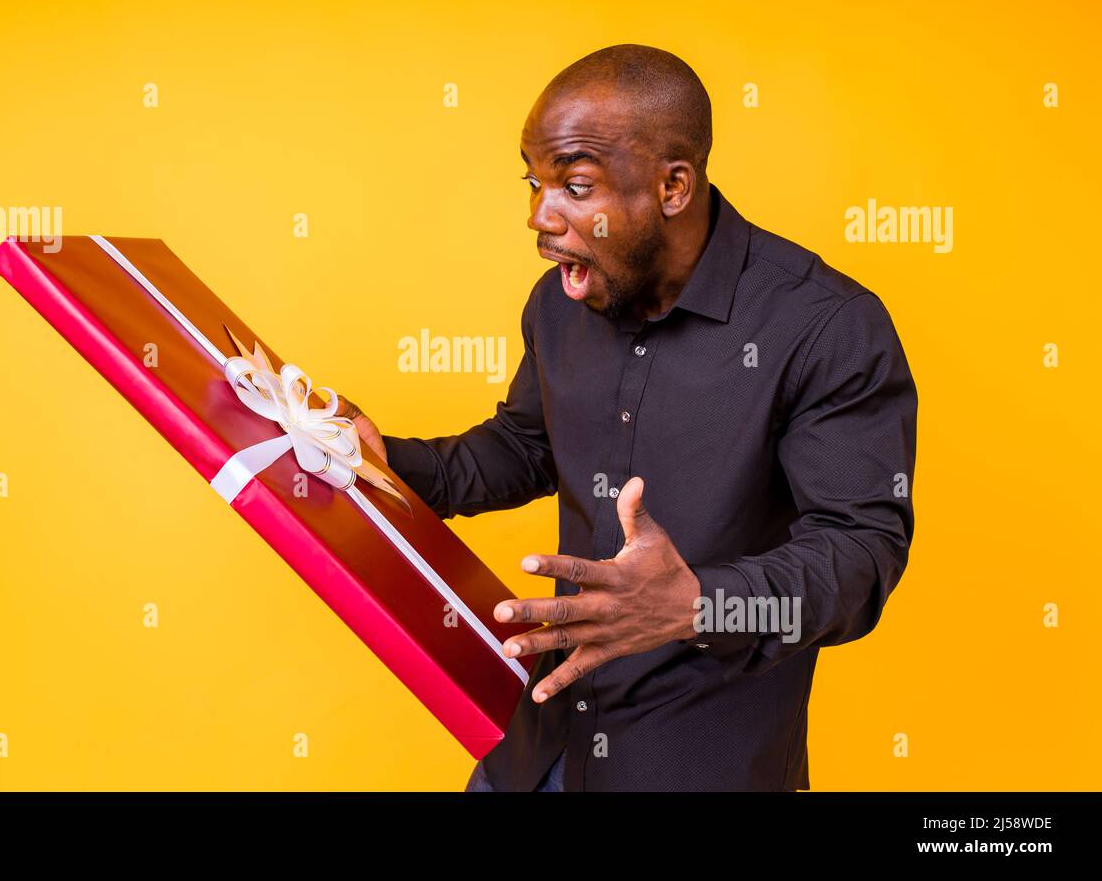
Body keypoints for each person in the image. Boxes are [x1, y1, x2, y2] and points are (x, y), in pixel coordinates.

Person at [338, 44, 918, 792]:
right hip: (539, 753)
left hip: (698, 767)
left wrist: (700, 607)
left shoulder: (825, 326)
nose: (539, 216)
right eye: (535, 182)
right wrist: (388, 464)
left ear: (673, 186)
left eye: (575, 185)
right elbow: (528, 444)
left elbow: (860, 554)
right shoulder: (562, 300)